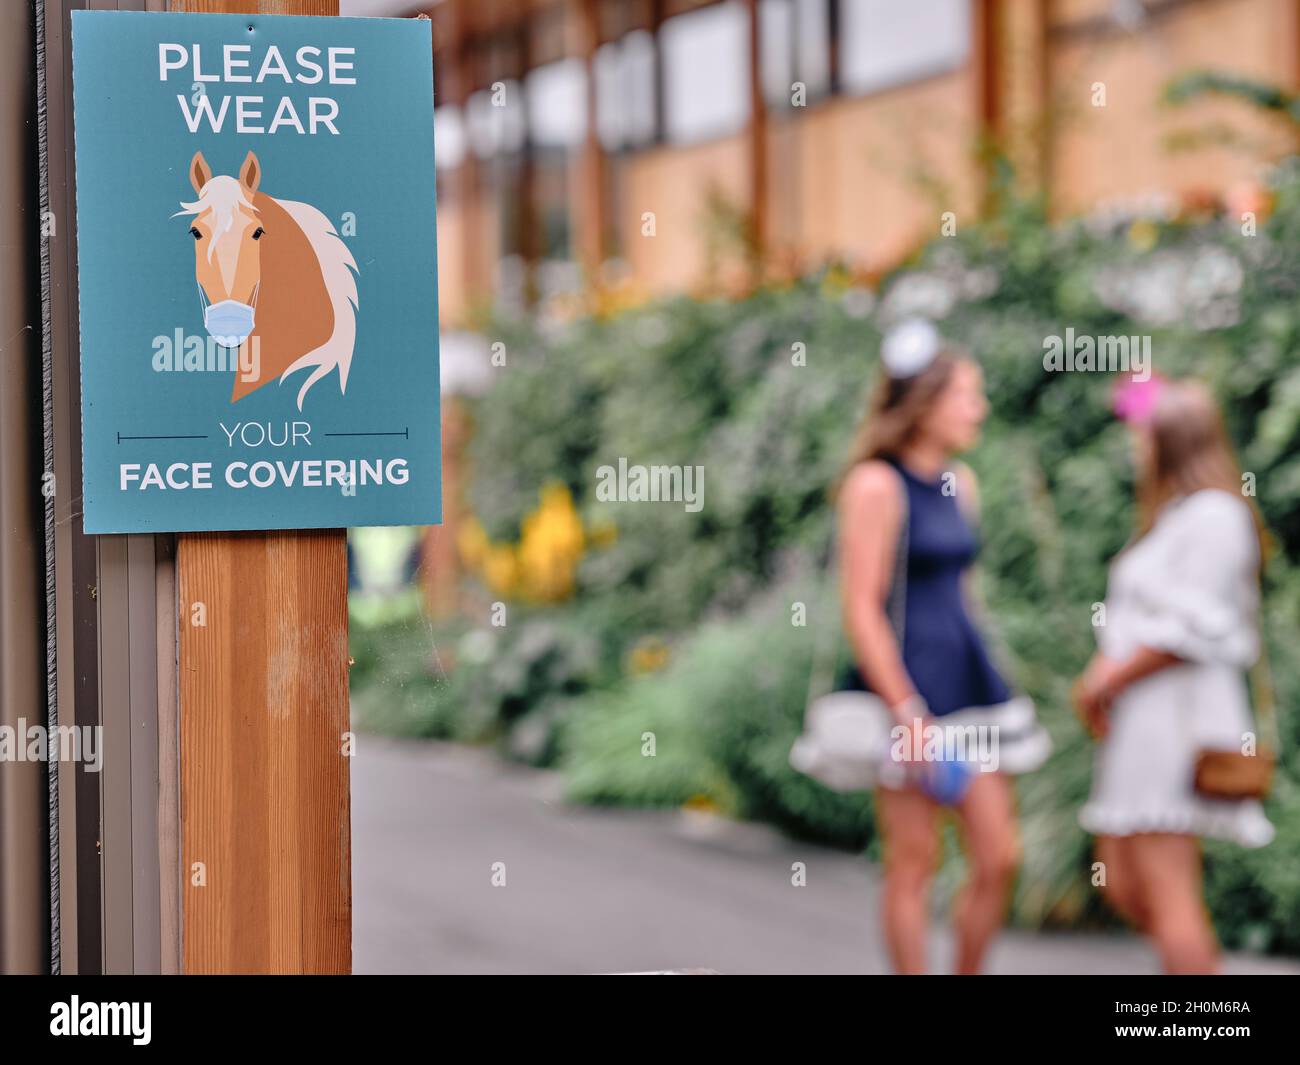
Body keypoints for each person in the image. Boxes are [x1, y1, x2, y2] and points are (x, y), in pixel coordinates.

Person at [837, 319, 1049, 975]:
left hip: (968, 682)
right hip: (907, 688)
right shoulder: (874, 484)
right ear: (925, 402)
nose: (977, 409)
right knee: (914, 858)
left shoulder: (963, 483)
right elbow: (861, 605)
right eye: (966, 395)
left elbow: (963, 590)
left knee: (998, 853)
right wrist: (906, 710)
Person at [1076, 375, 1274, 975]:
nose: (1135, 444)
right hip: (1145, 721)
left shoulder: (1214, 515)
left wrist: (1108, 679)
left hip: (1177, 720)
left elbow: (1193, 627)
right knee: (1124, 878)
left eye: (1143, 432)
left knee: (1165, 887)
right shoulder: (1178, 516)